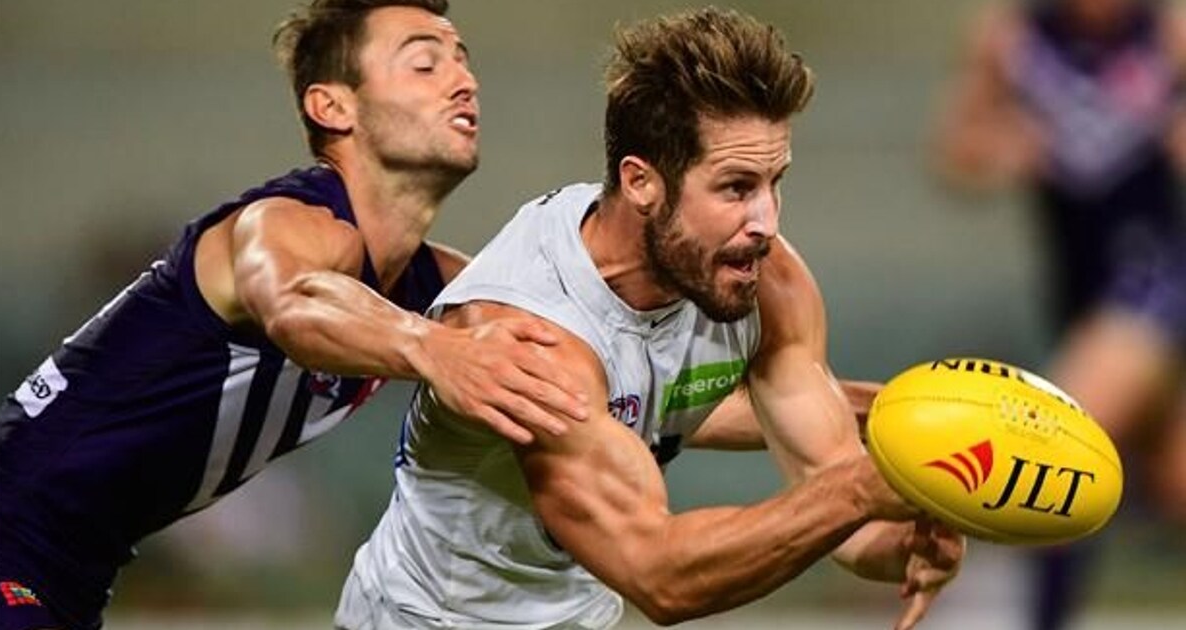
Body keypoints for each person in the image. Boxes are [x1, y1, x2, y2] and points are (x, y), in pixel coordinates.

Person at [337, 8, 966, 630]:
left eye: (775, 182)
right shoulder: (533, 335)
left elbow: (829, 486)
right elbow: (660, 576)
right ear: (642, 183)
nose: (766, 222)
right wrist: (861, 490)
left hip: (580, 614)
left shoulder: (762, 281)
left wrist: (897, 542)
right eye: (735, 187)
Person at [0, 2, 593, 628]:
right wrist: (436, 349)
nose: (464, 80)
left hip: (69, 576)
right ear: (331, 107)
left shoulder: (428, 283)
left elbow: (586, 342)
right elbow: (296, 302)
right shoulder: (285, 223)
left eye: (463, 62)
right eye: (424, 63)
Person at [933, 0, 1186, 628]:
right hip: (1082, 300)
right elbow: (956, 153)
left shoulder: (1171, 35)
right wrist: (1005, 149)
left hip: (1157, 284)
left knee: (1062, 454)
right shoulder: (1013, 41)